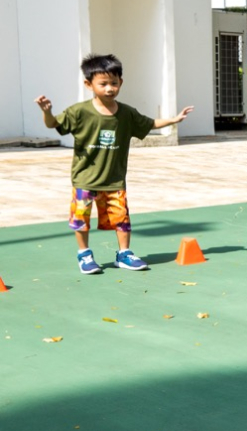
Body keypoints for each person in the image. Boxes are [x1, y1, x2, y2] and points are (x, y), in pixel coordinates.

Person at [35, 54, 192, 274]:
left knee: (122, 218)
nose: (110, 88)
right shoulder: (79, 111)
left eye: (114, 83)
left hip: (115, 179)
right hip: (85, 179)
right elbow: (54, 124)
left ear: (121, 82)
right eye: (103, 84)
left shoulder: (127, 113)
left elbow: (149, 123)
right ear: (88, 84)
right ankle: (84, 254)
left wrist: (174, 119)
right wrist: (47, 112)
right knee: (80, 218)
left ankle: (124, 254)